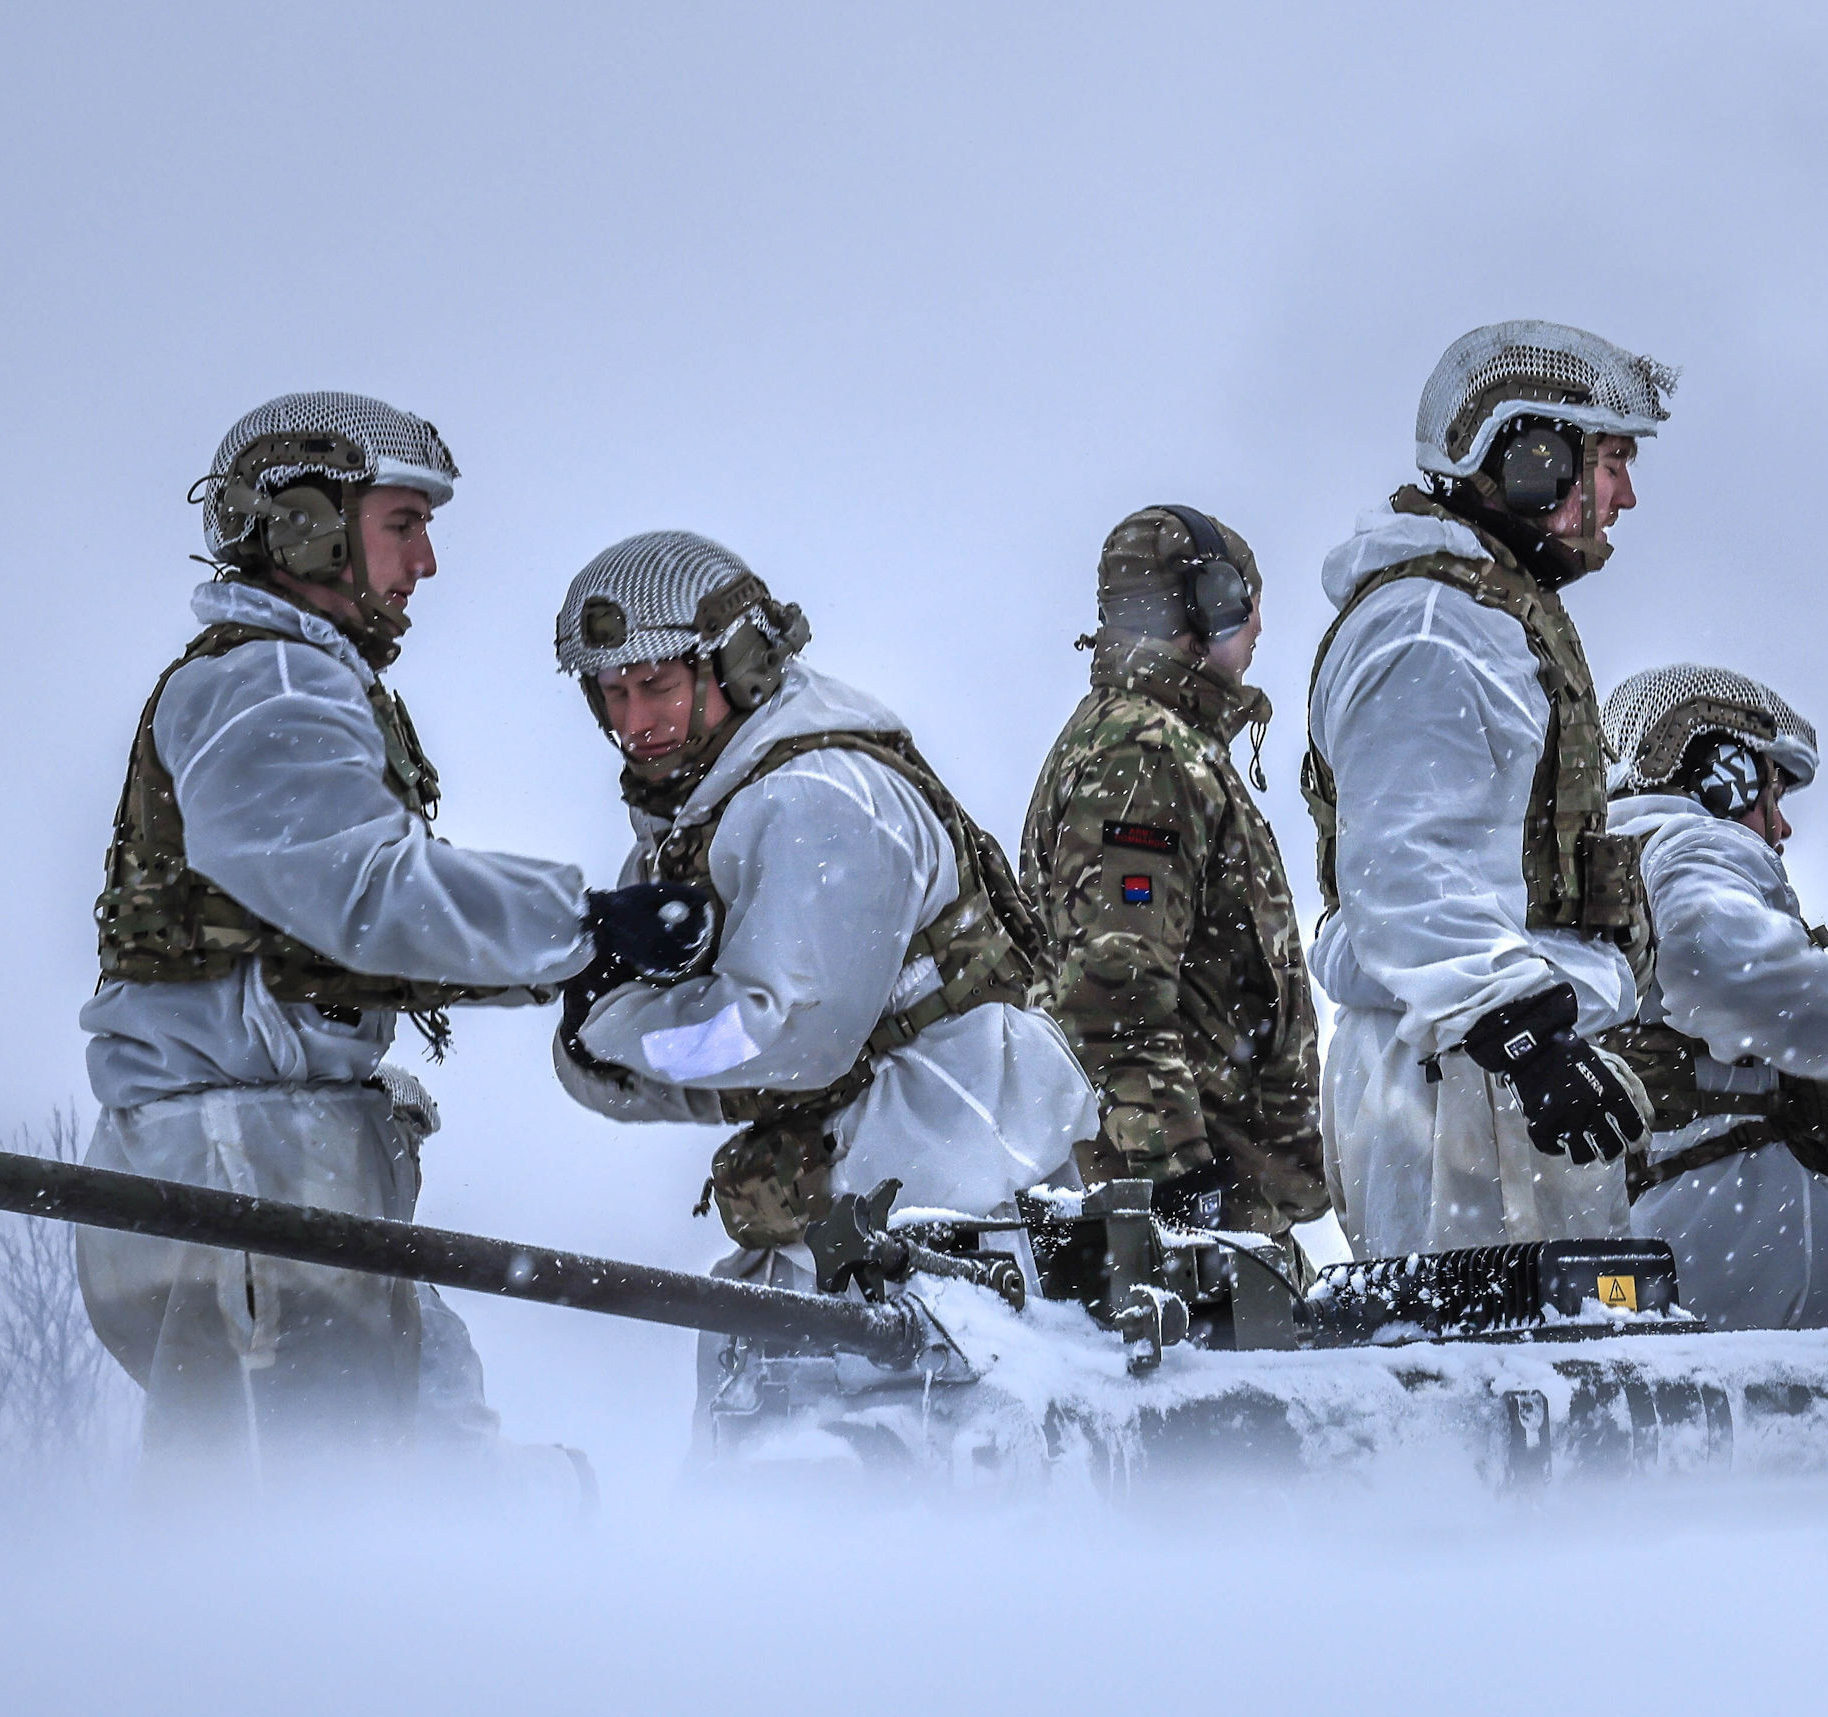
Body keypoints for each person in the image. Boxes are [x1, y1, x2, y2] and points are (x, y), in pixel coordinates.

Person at [80, 392, 668, 1461]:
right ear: (305, 522)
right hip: (242, 1172)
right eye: (404, 523)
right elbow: (366, 897)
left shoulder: (295, 681)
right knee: (288, 1524)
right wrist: (584, 927)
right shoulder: (263, 682)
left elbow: (333, 931)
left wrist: (563, 956)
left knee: (422, 1480)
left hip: (282, 1155)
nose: (428, 560)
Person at [548, 531, 1096, 1304]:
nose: (635, 719)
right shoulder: (700, 808)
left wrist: (605, 1032)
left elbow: (783, 1036)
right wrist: (601, 1049)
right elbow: (717, 1058)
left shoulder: (816, 796)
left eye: (655, 684)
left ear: (737, 668)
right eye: (613, 692)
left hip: (956, 1202)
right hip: (873, 1203)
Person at [1300, 320, 1676, 1257]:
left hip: (1481, 1070)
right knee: (1502, 1384)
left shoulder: (1475, 614)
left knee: (1560, 1373)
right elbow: (1405, 869)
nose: (1626, 495)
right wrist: (1524, 1040)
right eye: (1611, 461)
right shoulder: (1433, 629)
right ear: (1532, 458)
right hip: (1461, 1081)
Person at [1593, 666, 1828, 1328]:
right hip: (1747, 1247)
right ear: (1721, 775)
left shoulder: (1600, 866)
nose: (1781, 828)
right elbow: (1719, 956)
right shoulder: (1691, 841)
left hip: (1647, 1244)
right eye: (1771, 795)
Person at [1020, 505, 1331, 1241]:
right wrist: (1179, 1183)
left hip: (1209, 1193)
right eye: (1246, 603)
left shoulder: (1145, 737)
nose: (1257, 627)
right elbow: (1113, 986)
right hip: (1187, 1207)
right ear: (1209, 602)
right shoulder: (1145, 752)